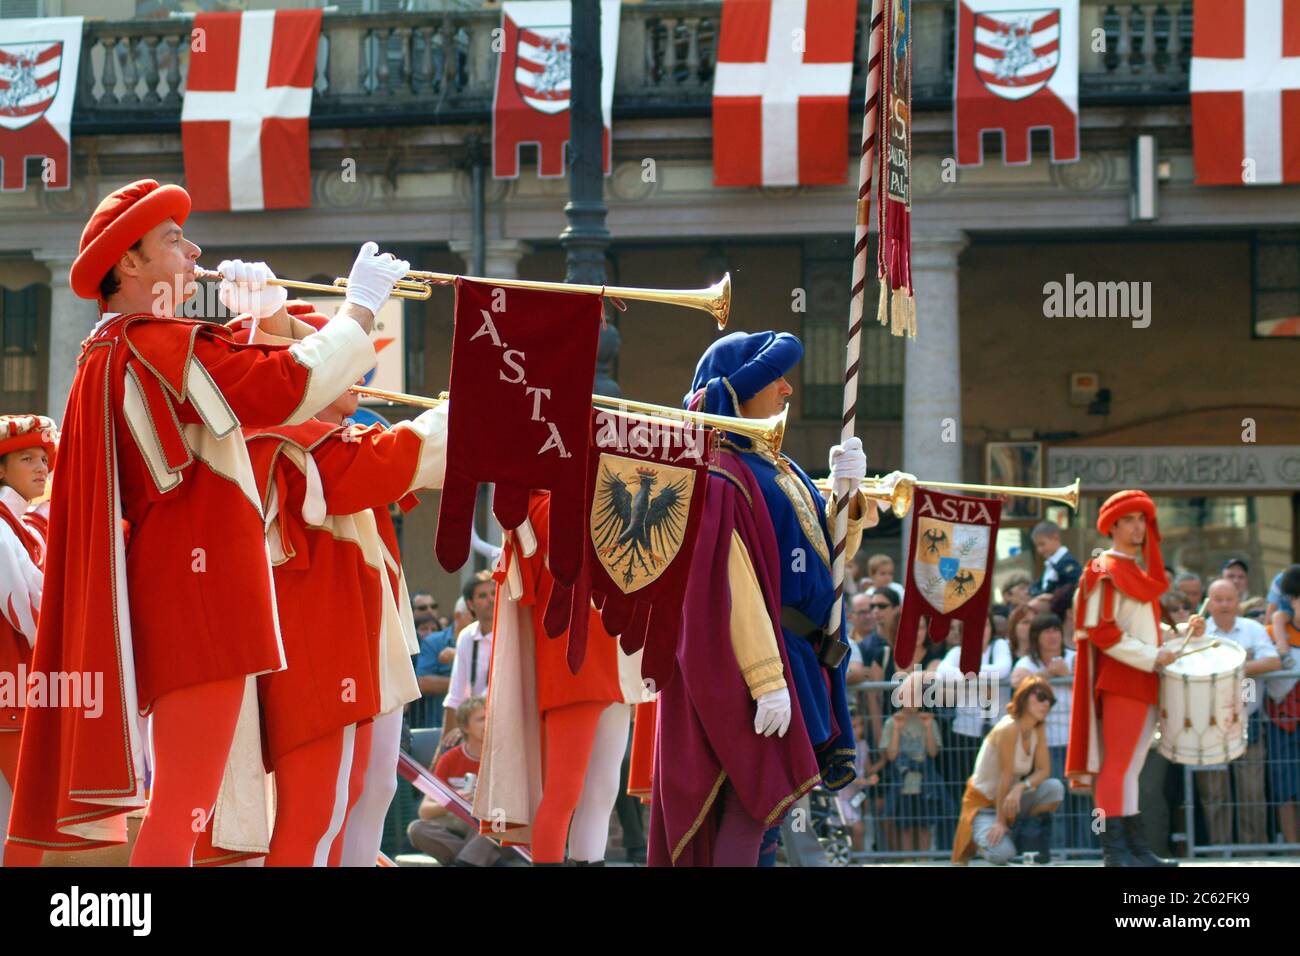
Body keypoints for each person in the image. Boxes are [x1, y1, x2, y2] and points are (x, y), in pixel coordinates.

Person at [4, 180, 408, 867]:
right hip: (201, 603)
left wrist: (272, 319)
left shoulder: (130, 345)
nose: (193, 252)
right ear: (128, 265)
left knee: (187, 806)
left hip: (192, 594)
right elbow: (281, 390)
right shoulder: (151, 342)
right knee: (184, 807)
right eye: (172, 240)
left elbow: (258, 384)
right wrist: (360, 307)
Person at [222, 301, 444, 867]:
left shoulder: (336, 431)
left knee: (358, 798)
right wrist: (461, 415)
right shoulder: (288, 433)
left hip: (355, 637)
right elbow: (381, 466)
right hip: (318, 640)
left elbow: (389, 471)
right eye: (340, 357)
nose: (360, 375)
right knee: (317, 811)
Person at [474, 491, 643, 866]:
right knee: (564, 793)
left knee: (603, 789)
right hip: (575, 663)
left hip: (615, 659)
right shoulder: (540, 503)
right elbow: (589, 529)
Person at [1066, 489, 1204, 867]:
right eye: (1129, 519)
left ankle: (1133, 849)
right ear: (1112, 525)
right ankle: (1117, 851)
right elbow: (1100, 630)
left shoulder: (1131, 571)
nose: (1138, 526)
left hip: (1140, 676)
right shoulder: (1101, 568)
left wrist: (1177, 633)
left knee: (1131, 767)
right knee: (1119, 766)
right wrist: (1153, 655)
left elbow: (1135, 628)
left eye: (1142, 519)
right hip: (1122, 678)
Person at [0, 415, 57, 866]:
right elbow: (31, 611)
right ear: (1, 469)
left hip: (18, 698)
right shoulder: (3, 531)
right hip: (9, 700)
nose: (41, 467)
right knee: (29, 821)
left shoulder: (20, 527)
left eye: (43, 458)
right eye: (27, 458)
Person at [1194, 578, 1278, 848]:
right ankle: (1221, 852)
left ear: (1238, 602)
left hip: (1248, 717)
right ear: (1209, 603)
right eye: (1218, 600)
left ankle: (1255, 852)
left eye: (1229, 599)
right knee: (1214, 793)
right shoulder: (1201, 632)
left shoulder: (1252, 629)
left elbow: (1273, 660)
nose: (1224, 605)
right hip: (1210, 721)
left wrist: (1235, 668)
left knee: (1251, 791)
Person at [952, 676, 1064, 865]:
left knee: (1054, 788)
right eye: (1041, 697)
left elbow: (1044, 771)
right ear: (1024, 697)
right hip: (984, 805)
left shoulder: (1038, 727)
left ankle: (1021, 833)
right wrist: (1000, 822)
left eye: (1050, 701)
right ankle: (979, 840)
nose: (1046, 704)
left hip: (1011, 799)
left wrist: (1021, 786)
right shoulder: (1009, 727)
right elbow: (1004, 777)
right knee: (1002, 855)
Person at [407, 697, 516, 866]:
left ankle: (464, 862)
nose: (488, 723)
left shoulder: (504, 757)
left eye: (490, 717)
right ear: (465, 727)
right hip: (458, 824)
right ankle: (484, 860)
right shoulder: (450, 759)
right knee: (417, 829)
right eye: (481, 719)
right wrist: (455, 801)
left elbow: (514, 807)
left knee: (495, 820)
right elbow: (424, 811)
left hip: (494, 828)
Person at [881, 673, 941, 858]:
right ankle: (907, 860)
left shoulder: (928, 721)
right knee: (905, 827)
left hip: (924, 784)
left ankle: (924, 859)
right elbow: (890, 755)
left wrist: (929, 728)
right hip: (902, 785)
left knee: (924, 826)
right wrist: (898, 730)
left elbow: (933, 753)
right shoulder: (892, 723)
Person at [1264, 566, 1300, 844]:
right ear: (1292, 599)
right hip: (1283, 723)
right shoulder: (1271, 634)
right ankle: (1292, 848)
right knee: (1284, 789)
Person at [442, 571, 495, 738]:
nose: (491, 600)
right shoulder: (466, 636)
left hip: (507, 722)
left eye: (494, 593)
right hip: (476, 727)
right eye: (483, 595)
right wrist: (443, 745)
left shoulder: (515, 632)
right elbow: (456, 694)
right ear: (470, 604)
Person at [1029, 520, 1082, 599]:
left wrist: (1052, 597)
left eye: (1042, 544)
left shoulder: (1067, 563)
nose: (1039, 550)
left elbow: (1074, 588)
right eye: (1037, 546)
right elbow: (1040, 585)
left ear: (1055, 538)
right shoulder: (1051, 562)